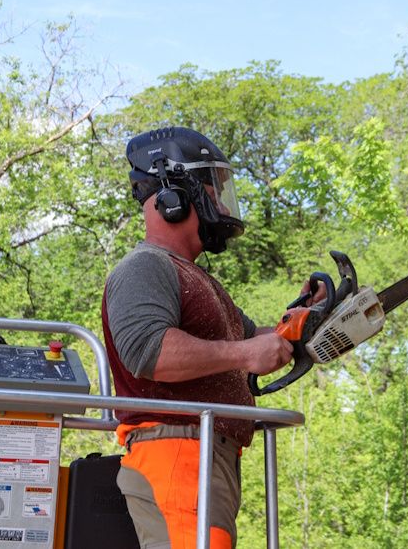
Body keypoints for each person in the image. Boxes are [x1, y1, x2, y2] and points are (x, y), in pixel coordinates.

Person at [101, 126, 318, 549]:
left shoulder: (195, 278)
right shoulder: (144, 268)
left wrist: (306, 318)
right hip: (177, 454)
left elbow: (257, 339)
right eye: (212, 191)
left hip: (202, 456)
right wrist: (242, 354)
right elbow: (148, 351)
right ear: (173, 199)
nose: (221, 204)